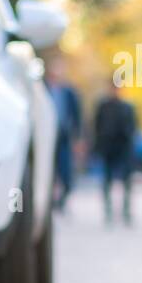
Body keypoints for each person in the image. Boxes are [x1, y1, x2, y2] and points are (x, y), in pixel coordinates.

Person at [92, 78, 137, 226]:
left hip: (123, 148)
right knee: (107, 181)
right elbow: (97, 127)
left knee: (127, 182)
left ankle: (126, 211)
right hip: (108, 148)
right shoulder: (103, 106)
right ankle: (108, 210)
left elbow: (133, 129)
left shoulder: (128, 107)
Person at [45, 56, 82, 213]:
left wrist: (78, 139)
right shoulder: (44, 89)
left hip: (64, 137)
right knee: (49, 171)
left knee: (66, 172)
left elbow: (77, 116)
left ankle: (62, 201)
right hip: (47, 138)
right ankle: (50, 202)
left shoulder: (69, 92)